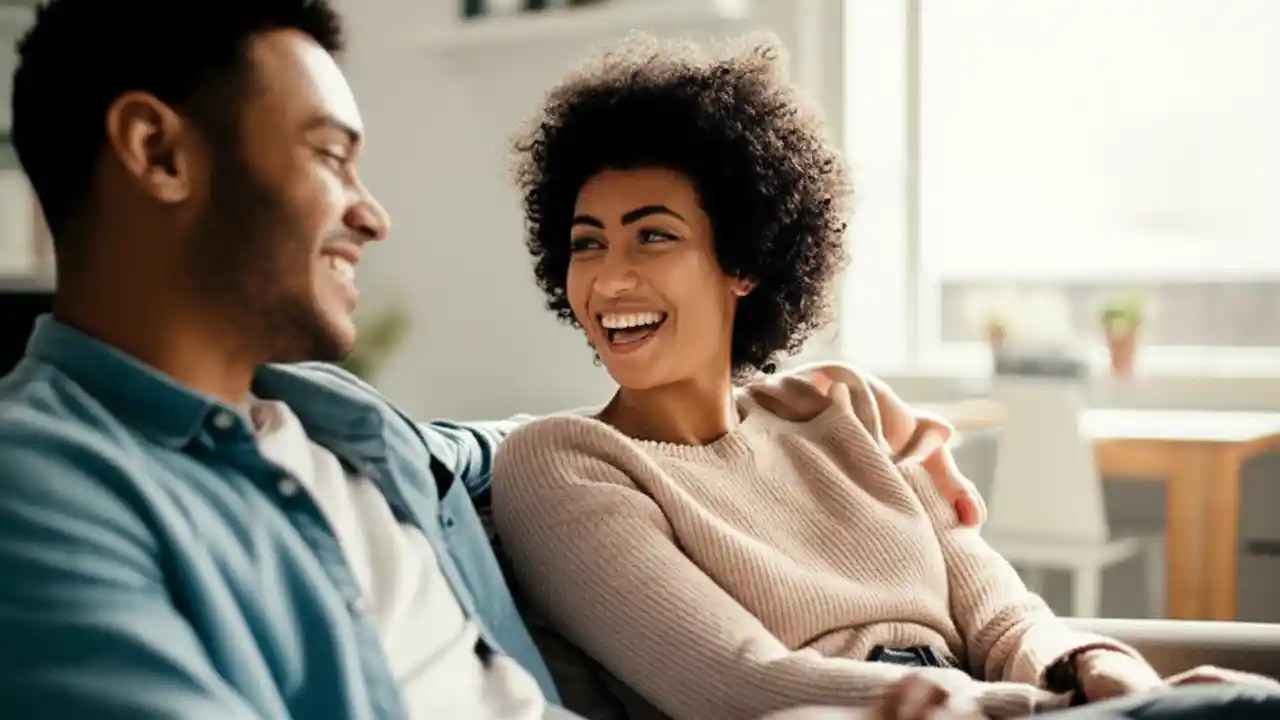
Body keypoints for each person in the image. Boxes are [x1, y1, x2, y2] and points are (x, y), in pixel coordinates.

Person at [0, 2, 983, 719]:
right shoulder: (46, 488)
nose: (372, 212)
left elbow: (533, 451)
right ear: (156, 152)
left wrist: (789, 413)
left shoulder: (345, 433)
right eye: (329, 155)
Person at [491, 32, 1280, 720]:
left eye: (652, 238)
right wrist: (1044, 705)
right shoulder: (564, 462)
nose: (609, 279)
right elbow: (741, 689)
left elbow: (998, 612)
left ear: (745, 262)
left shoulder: (842, 412)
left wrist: (1096, 665)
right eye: (587, 244)